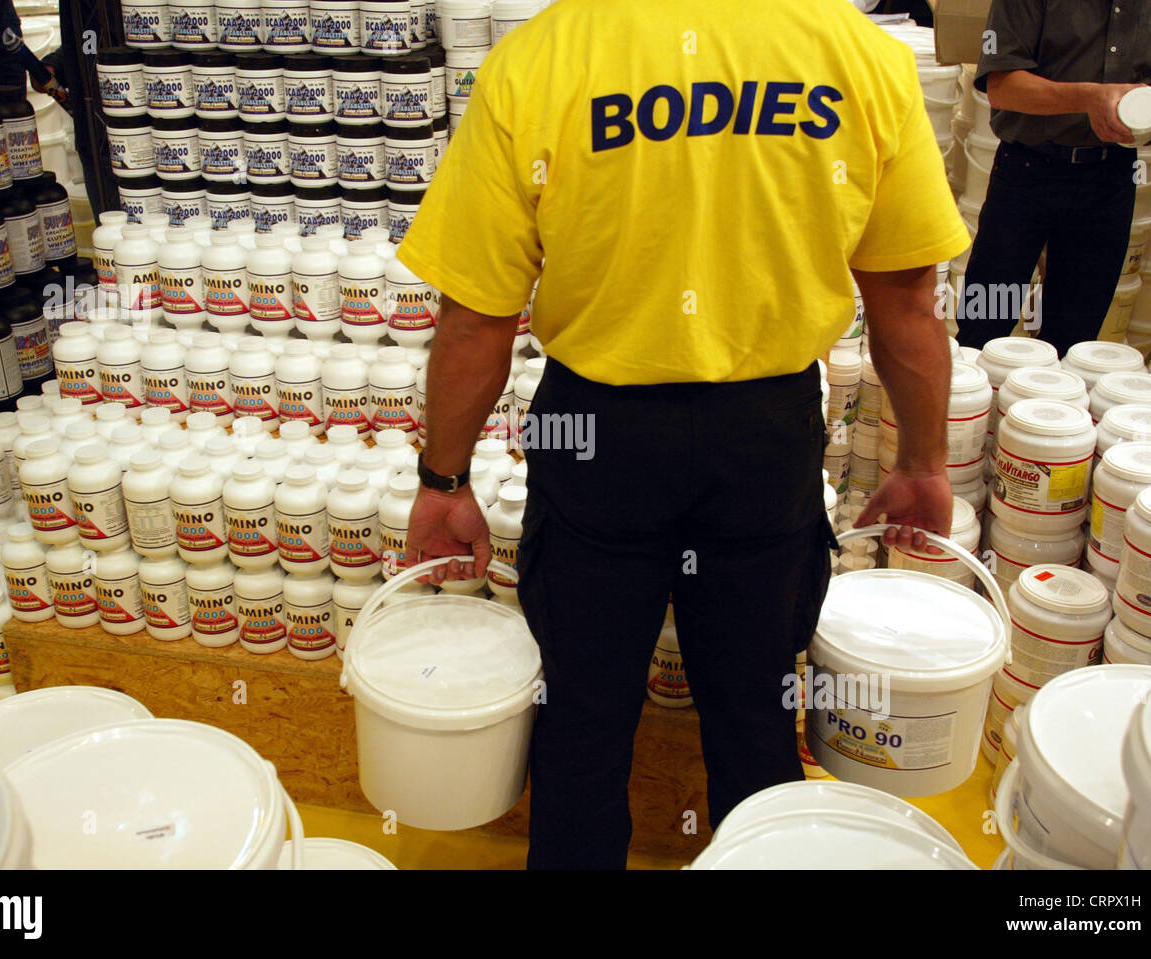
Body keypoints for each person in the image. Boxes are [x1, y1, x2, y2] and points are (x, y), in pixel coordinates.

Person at [397, 0, 969, 870]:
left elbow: (477, 316)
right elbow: (906, 303)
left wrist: (444, 483)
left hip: (599, 436)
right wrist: (924, 462)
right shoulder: (859, 56)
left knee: (584, 712)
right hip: (764, 436)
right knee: (754, 711)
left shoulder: (540, 58)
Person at [955, 0, 1151, 353]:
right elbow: (1002, 86)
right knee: (983, 325)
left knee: (1076, 340)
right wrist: (1090, 98)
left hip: (1110, 179)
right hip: (1026, 175)